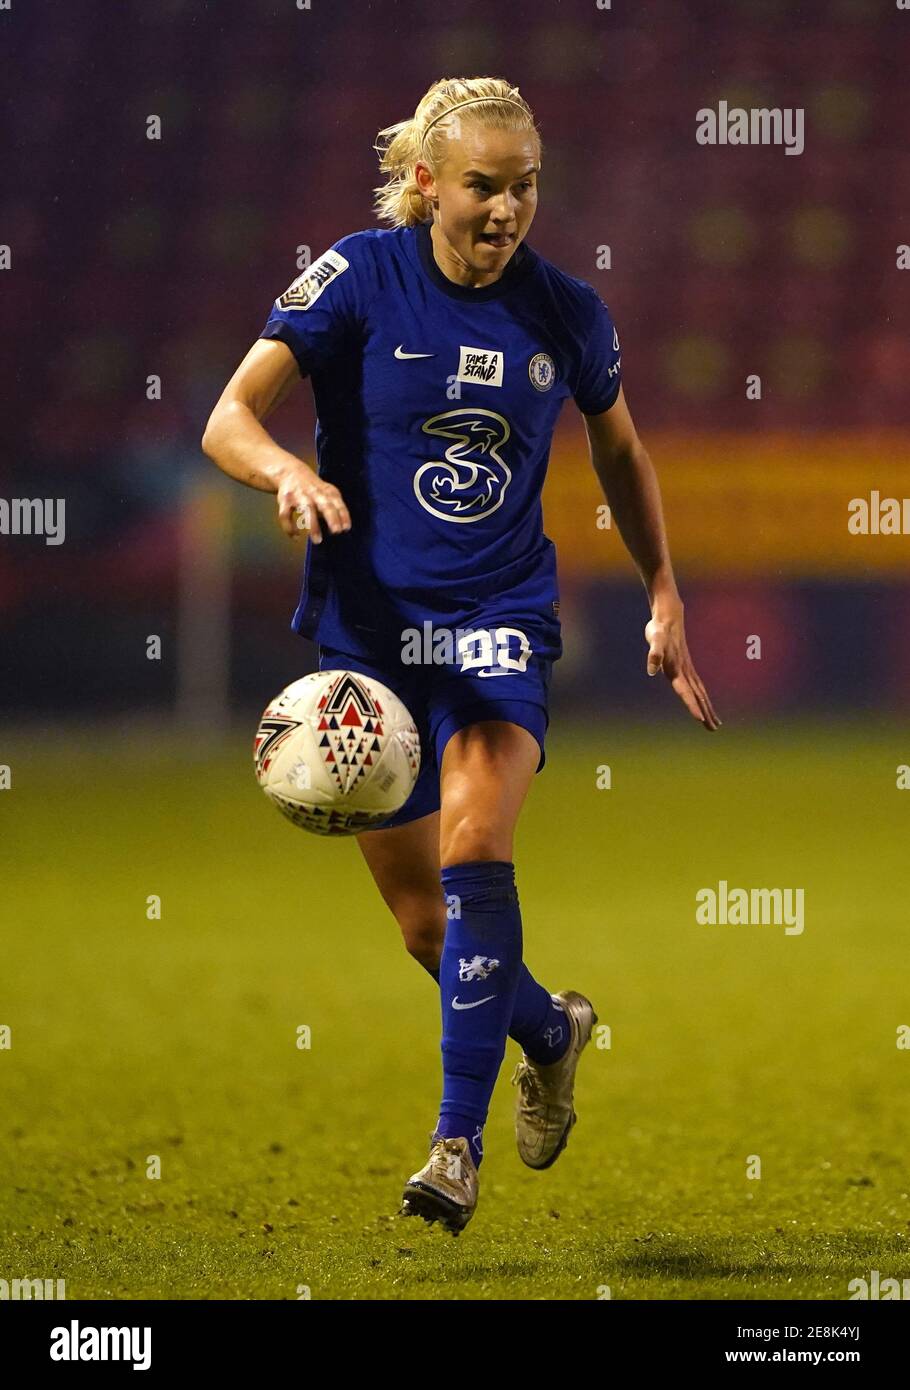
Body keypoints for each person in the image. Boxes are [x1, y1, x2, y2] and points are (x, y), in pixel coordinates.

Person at [202, 75, 720, 1235]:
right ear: (427, 181)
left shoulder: (565, 311)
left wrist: (662, 589)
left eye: (525, 185)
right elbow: (228, 417)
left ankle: (453, 1144)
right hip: (368, 636)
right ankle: (550, 1029)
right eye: (483, 185)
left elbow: (622, 455)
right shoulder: (355, 277)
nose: (507, 208)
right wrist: (285, 471)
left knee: (475, 849)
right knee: (425, 927)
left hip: (497, 620)